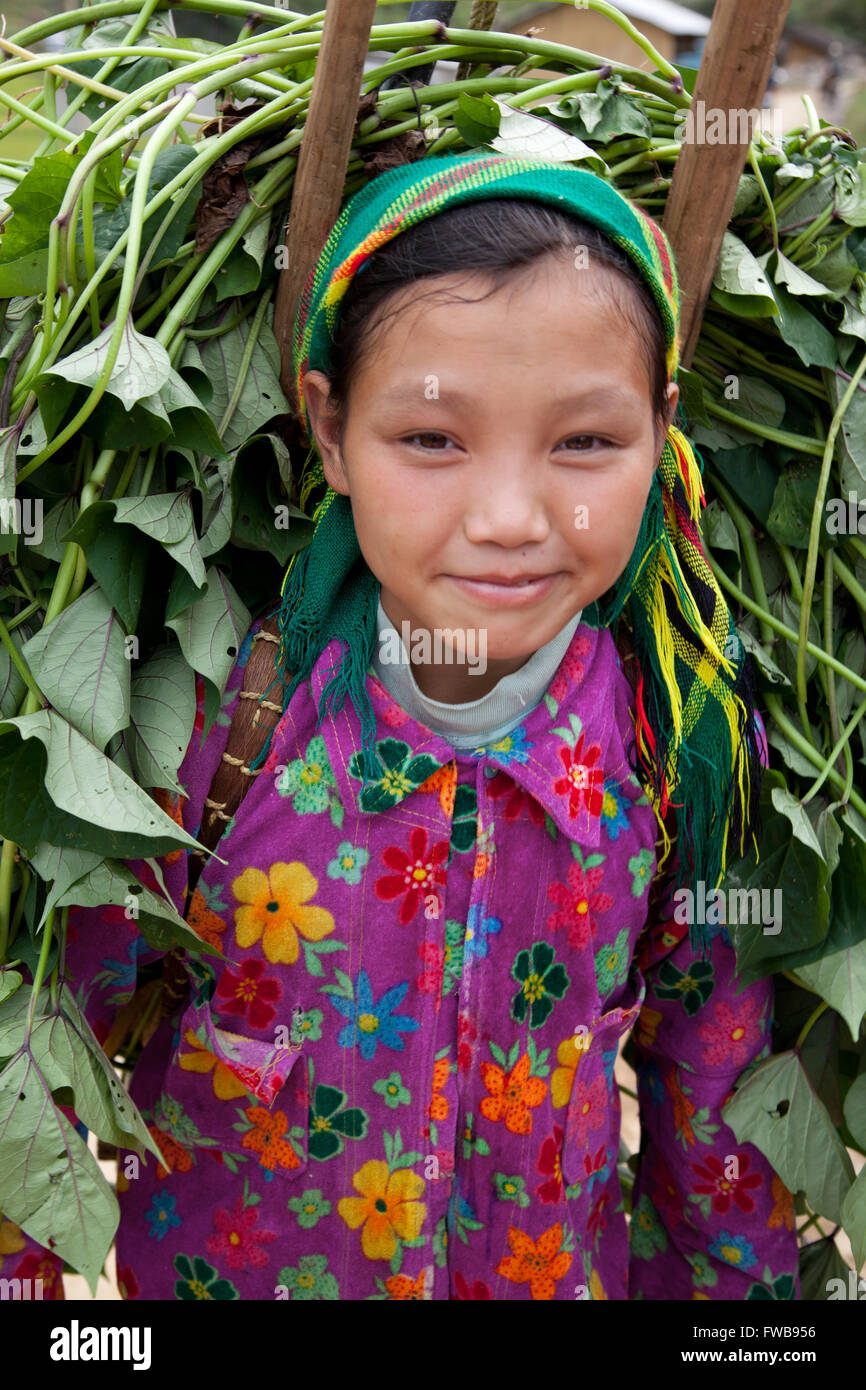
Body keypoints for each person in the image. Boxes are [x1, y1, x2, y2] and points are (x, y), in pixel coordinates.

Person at [14, 149, 800, 1300]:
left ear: (661, 427)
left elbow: (717, 1110)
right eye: (431, 440)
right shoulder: (198, 733)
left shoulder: (677, 743)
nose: (507, 518)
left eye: (584, 441)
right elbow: (33, 1082)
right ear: (327, 429)